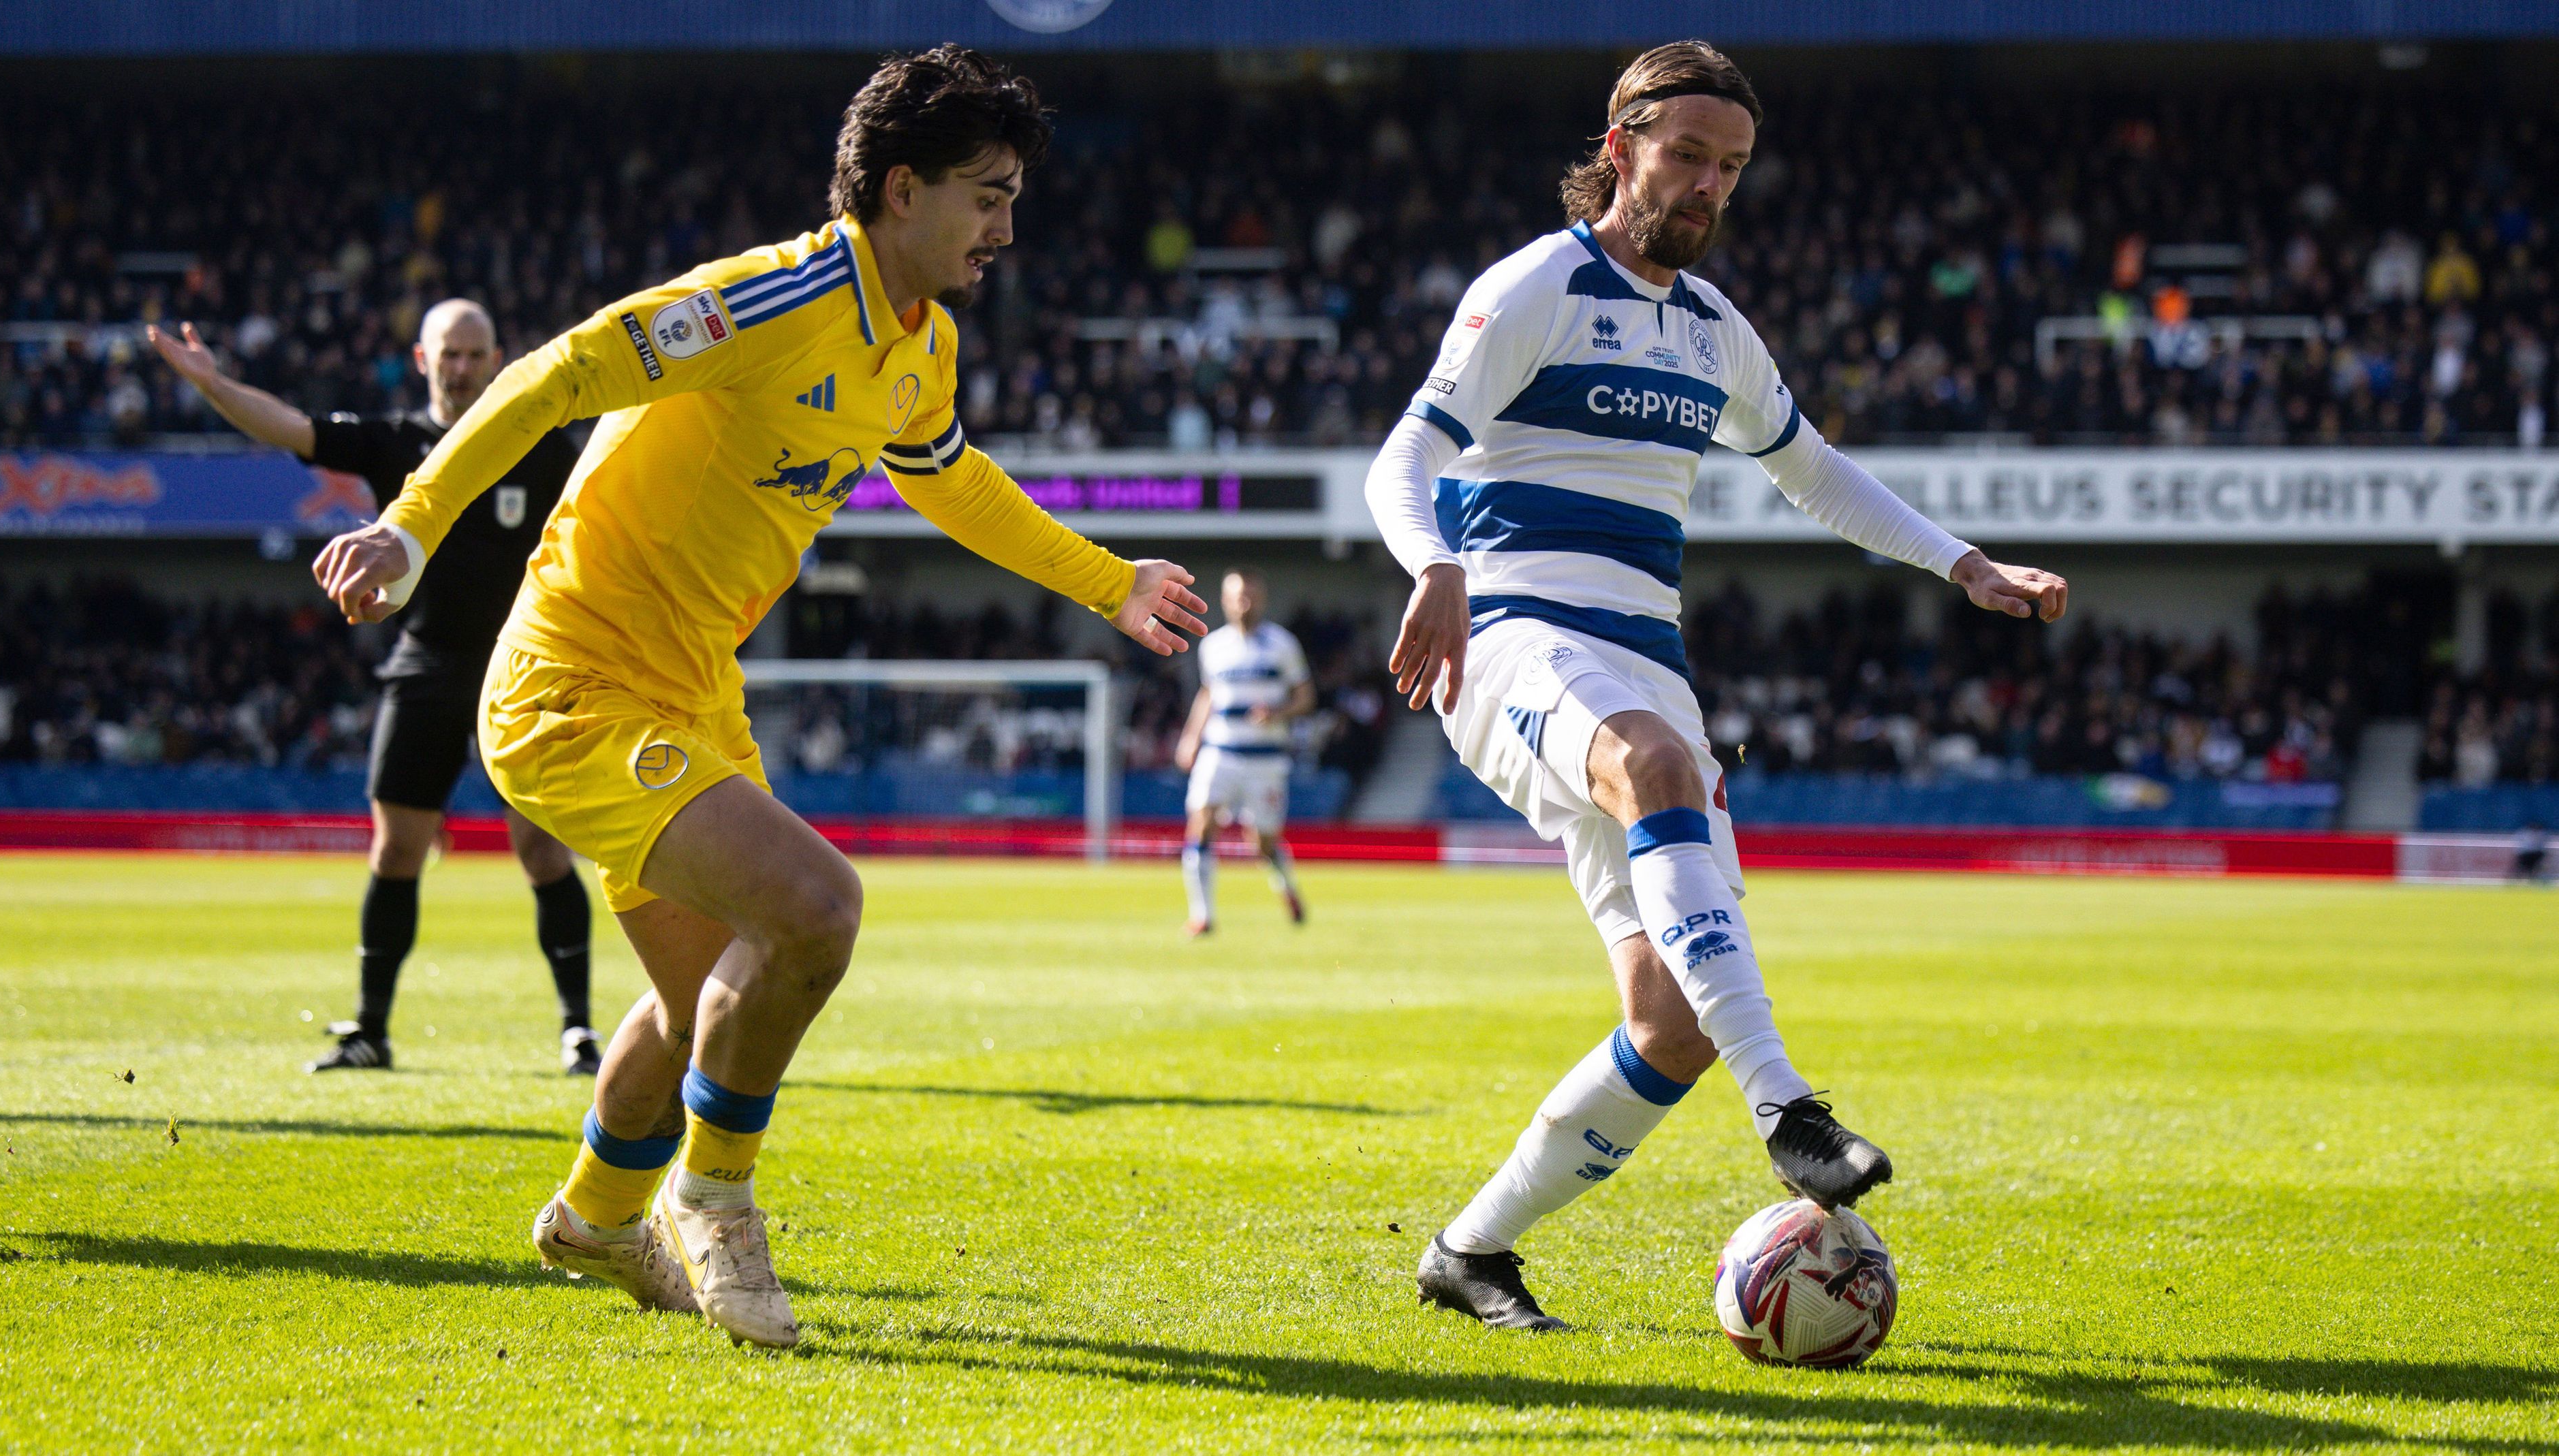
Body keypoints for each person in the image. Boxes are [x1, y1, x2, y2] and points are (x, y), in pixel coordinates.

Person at [309, 46, 1204, 1350]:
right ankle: (712, 1201)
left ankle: (598, 1215)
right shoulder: (767, 300)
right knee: (816, 909)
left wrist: (1106, 581)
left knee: (703, 1002)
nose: (1008, 224)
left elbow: (949, 480)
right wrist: (410, 526)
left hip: (691, 692)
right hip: (571, 682)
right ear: (902, 189)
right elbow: (554, 373)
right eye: (988, 194)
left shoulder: (922, 344)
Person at [1366, 40, 2071, 1331]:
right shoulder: (1536, 283)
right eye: (1685, 154)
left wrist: (1964, 563)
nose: (1705, 185)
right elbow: (1404, 454)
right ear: (1621, 143)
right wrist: (1436, 567)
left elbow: (1814, 472)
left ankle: (1468, 1251)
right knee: (1656, 763)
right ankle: (1790, 1111)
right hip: (1514, 636)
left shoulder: (1715, 329)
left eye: (1729, 167)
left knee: (1671, 1023)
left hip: (1645, 662)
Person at [147, 302, 601, 1077]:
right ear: (422, 361)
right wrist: (214, 386)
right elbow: (292, 427)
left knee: (542, 851)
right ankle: (371, 1031)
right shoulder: (396, 441)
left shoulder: (539, 444)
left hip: (520, 670)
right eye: (448, 354)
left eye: (474, 353)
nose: (461, 367)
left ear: (497, 359)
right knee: (396, 849)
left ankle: (577, 1032)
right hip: (423, 665)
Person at [1174, 569, 1313, 934]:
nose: (1244, 604)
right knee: (1201, 823)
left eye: (1250, 597)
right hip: (1221, 751)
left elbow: (1305, 698)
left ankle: (1287, 887)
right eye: (1237, 597)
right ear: (1225, 600)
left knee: (1263, 843)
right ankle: (1202, 915)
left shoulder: (1282, 645)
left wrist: (1277, 713)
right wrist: (1191, 738)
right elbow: (1208, 694)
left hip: (1265, 759)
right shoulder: (1213, 645)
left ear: (1262, 599)